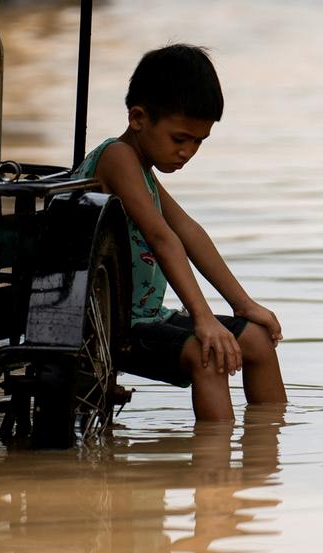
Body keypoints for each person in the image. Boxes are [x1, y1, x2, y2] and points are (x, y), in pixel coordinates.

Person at [72, 44, 286, 421]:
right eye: (180, 139)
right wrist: (203, 319)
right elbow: (161, 237)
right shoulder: (118, 158)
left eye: (198, 142)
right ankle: (216, 473)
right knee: (210, 357)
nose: (188, 152)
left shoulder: (141, 167)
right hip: (111, 324)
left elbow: (186, 230)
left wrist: (243, 304)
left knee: (256, 339)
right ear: (138, 118)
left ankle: (268, 452)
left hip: (147, 315)